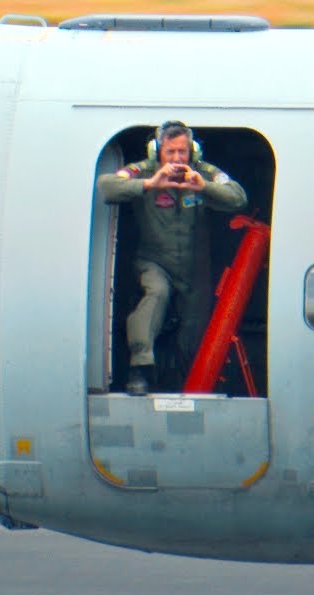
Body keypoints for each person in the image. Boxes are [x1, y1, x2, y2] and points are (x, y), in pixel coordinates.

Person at [97, 121, 247, 396]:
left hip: (194, 268)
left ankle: (186, 386)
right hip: (154, 261)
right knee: (157, 294)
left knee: (194, 331)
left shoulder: (203, 173)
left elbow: (238, 197)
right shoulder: (143, 170)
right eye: (170, 152)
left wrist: (204, 187)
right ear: (157, 152)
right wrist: (148, 184)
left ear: (192, 152)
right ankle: (139, 368)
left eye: (182, 152)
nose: (177, 159)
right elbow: (107, 187)